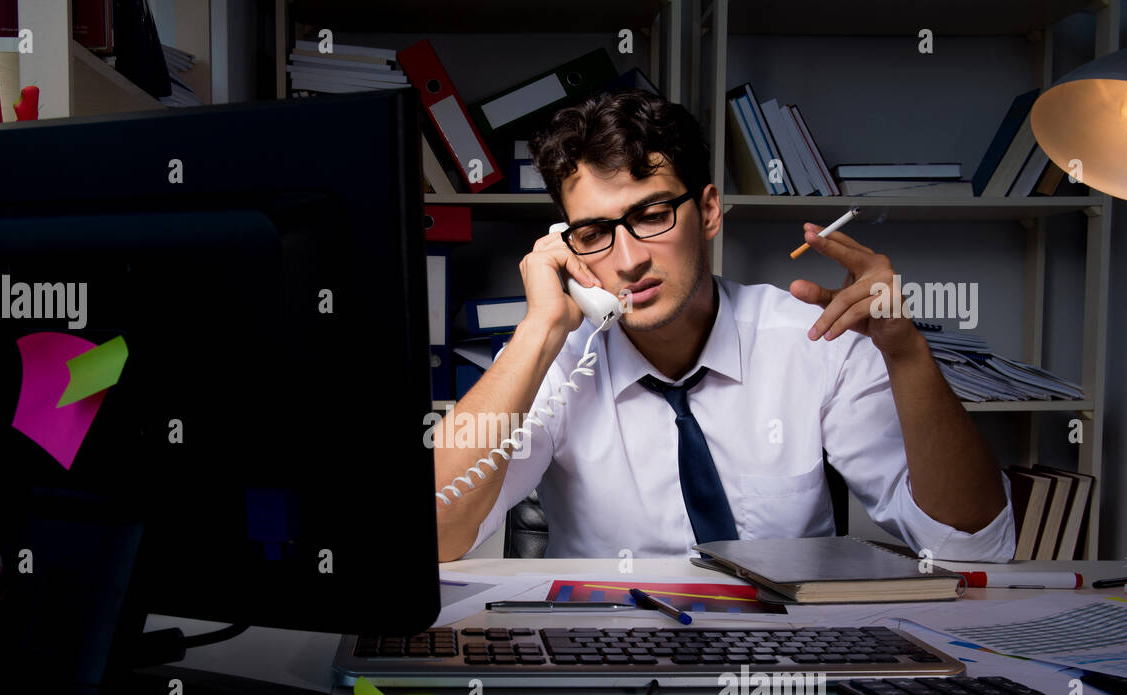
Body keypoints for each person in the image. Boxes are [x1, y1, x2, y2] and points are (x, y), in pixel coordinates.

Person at [433, 90, 1014, 563]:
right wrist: (538, 331)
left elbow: (973, 545)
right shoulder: (560, 360)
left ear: (708, 212)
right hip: (605, 654)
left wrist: (908, 354)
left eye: (653, 215)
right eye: (593, 233)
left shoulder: (813, 340)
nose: (629, 258)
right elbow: (434, 537)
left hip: (786, 667)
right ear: (568, 248)